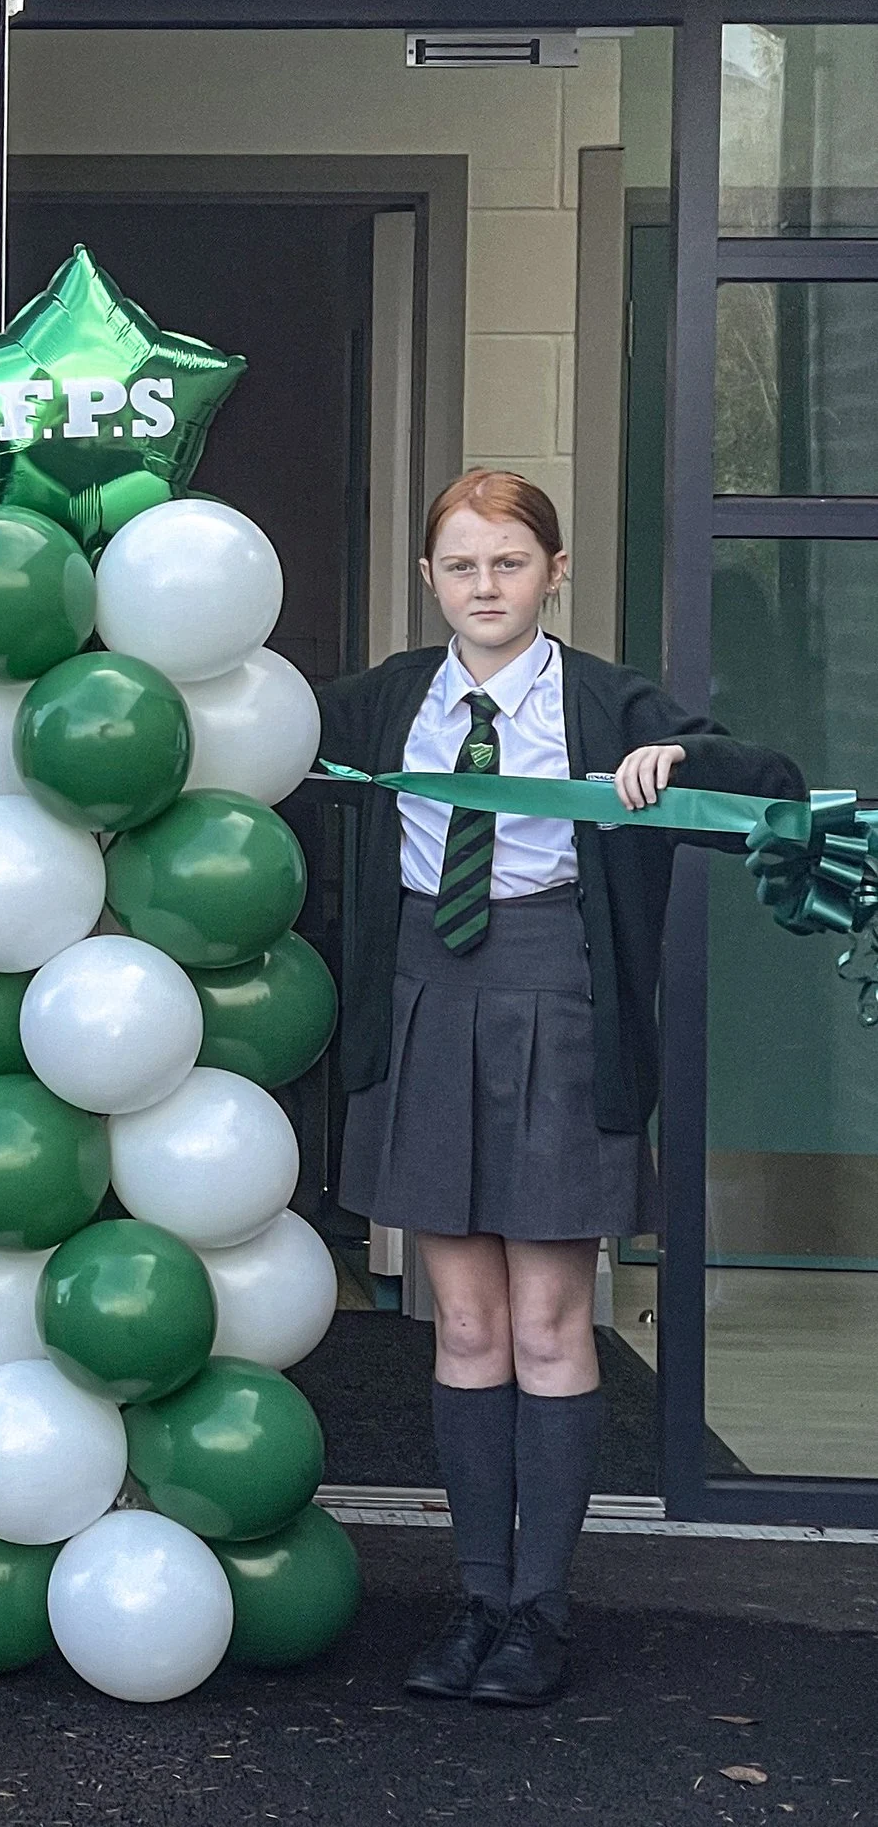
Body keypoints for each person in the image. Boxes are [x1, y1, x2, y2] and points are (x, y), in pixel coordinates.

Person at [320, 469, 803, 1709]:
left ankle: (541, 1609)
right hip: (427, 1006)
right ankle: (474, 1597)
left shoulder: (601, 700)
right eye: (462, 566)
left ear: (554, 571)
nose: (485, 587)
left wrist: (679, 754)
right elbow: (247, 747)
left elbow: (769, 784)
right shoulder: (382, 704)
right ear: (428, 578)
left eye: (509, 564)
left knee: (546, 1325)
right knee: (464, 1326)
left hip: (561, 1014)